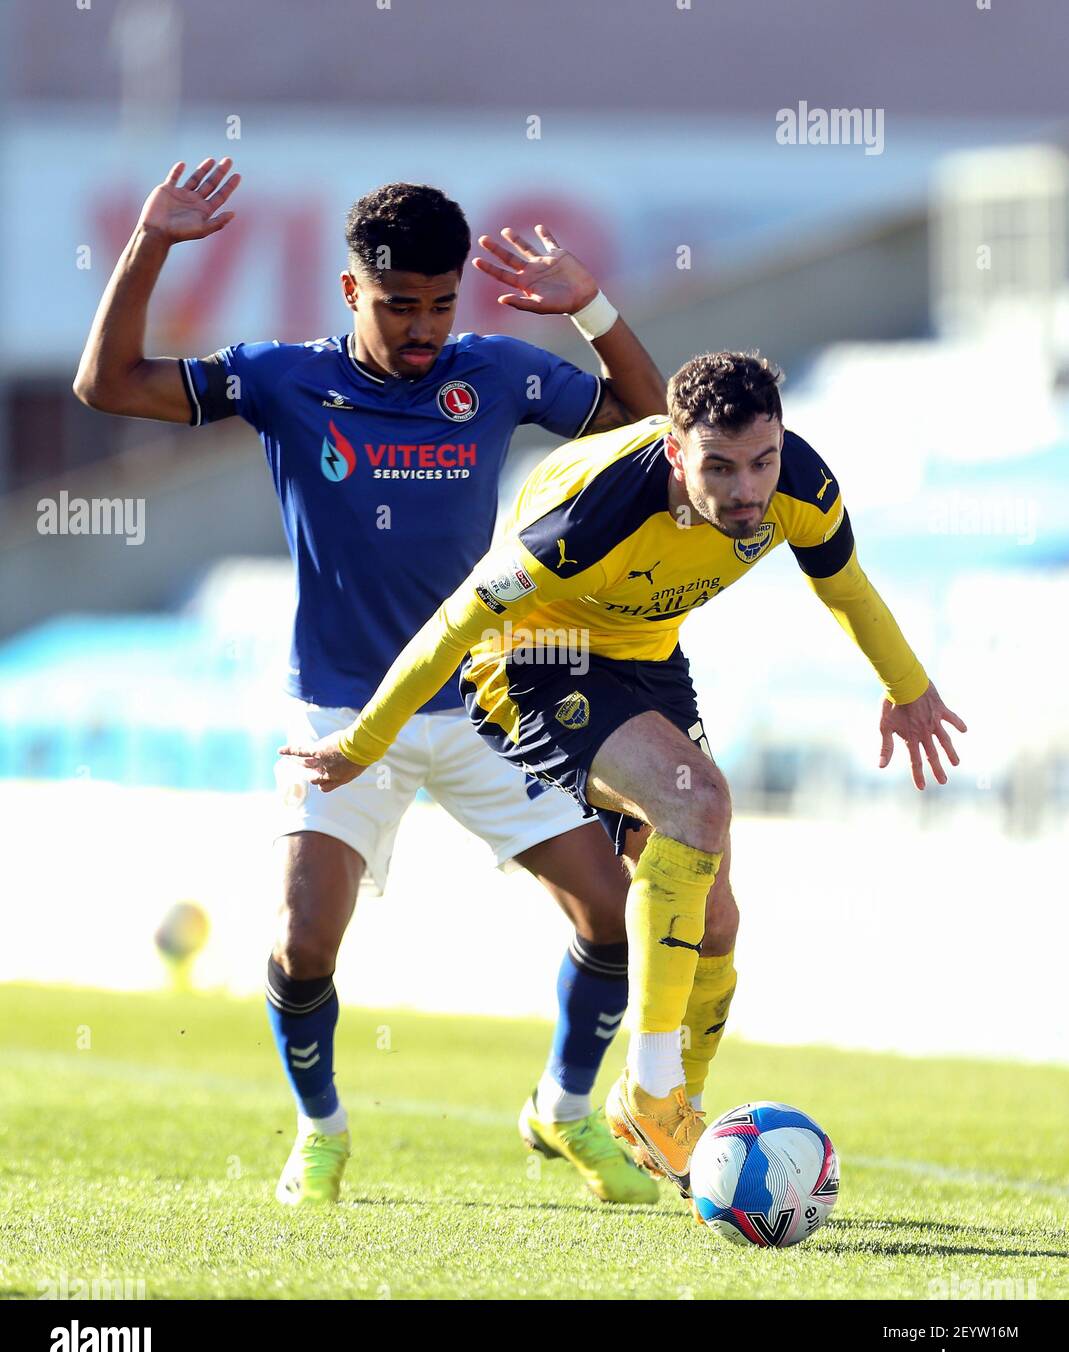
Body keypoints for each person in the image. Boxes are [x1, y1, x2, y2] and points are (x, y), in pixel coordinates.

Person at [74, 157, 670, 1206]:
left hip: (486, 702)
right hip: (344, 711)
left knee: (612, 912)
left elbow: (655, 423)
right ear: (352, 291)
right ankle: (320, 1128)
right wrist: (151, 243)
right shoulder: (282, 379)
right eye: (400, 305)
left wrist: (594, 309)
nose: (425, 325)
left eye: (441, 302)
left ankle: (564, 1108)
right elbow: (108, 383)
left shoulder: (495, 373)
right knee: (303, 939)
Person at [282, 350, 968, 1196]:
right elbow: (458, 621)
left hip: (645, 663)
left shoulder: (799, 485)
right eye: (719, 466)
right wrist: (365, 740)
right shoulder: (594, 510)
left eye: (762, 460)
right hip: (529, 661)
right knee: (697, 800)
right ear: (675, 453)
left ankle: (673, 1115)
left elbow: (847, 589)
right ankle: (649, 1090)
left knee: (716, 922)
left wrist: (908, 689)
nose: (747, 490)